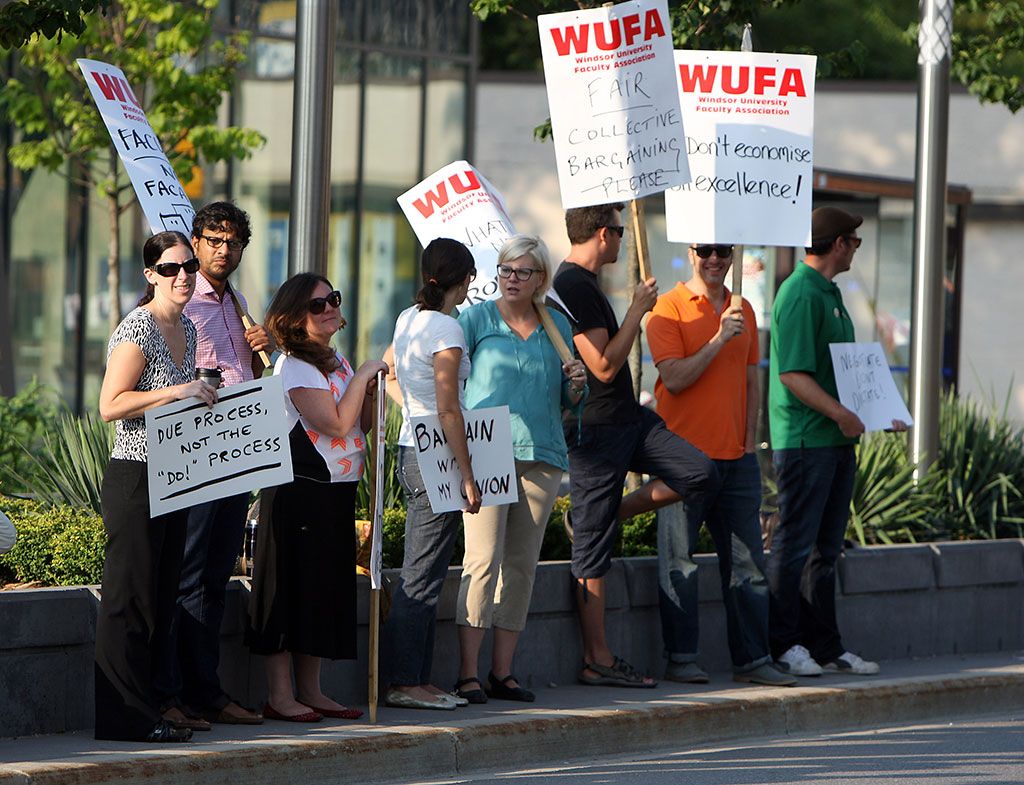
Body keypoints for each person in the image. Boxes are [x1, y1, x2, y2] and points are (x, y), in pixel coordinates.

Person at [551, 203, 716, 688]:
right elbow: (603, 366)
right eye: (620, 232)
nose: (623, 240)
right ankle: (597, 659)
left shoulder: (587, 282)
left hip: (629, 419)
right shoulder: (573, 285)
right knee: (592, 552)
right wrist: (638, 313)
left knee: (699, 472)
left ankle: (601, 517)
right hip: (596, 428)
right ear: (604, 233)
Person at [644, 242, 796, 688]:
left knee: (749, 562)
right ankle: (682, 657)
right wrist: (716, 339)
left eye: (724, 252)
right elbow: (673, 378)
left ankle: (753, 658)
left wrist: (749, 441)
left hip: (737, 459)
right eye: (706, 251)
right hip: (682, 458)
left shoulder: (744, 308)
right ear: (690, 252)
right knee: (679, 561)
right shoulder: (666, 309)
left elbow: (751, 376)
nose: (715, 260)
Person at [766, 207, 907, 677]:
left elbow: (845, 373)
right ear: (839, 244)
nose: (856, 250)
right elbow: (792, 375)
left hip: (832, 439)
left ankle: (825, 645)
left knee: (826, 549)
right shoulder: (801, 294)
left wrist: (877, 411)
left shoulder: (828, 292)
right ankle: (785, 644)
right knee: (795, 545)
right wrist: (843, 414)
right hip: (807, 440)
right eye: (855, 241)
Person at [453, 235, 588, 704]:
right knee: (482, 560)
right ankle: (467, 672)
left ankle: (502, 672)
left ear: (540, 280)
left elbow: (570, 401)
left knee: (521, 566)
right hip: (487, 450)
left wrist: (577, 385)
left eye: (522, 272)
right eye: (506, 270)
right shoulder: (475, 319)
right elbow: (445, 379)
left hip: (543, 454)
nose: (511, 279)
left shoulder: (557, 327)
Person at [245, 273, 386, 722]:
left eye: (332, 300)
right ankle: (281, 695)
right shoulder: (295, 366)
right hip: (298, 493)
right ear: (293, 319)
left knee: (322, 593)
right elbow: (334, 424)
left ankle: (313, 689)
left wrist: (371, 386)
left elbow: (360, 424)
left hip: (335, 494)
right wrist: (365, 372)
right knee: (288, 592)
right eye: (316, 305)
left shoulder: (335, 362)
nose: (328, 309)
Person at [95, 230, 218, 742]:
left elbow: (176, 401)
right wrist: (180, 390)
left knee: (161, 598)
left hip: (174, 474)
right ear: (151, 276)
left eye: (189, 266)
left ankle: (148, 710)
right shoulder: (137, 330)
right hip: (134, 474)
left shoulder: (187, 330)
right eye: (170, 269)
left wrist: (204, 397)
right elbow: (110, 405)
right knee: (130, 600)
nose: (183, 276)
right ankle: (123, 718)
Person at [154, 202, 273, 729]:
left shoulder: (237, 301)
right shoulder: (179, 299)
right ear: (196, 242)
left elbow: (241, 372)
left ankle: (207, 690)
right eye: (214, 240)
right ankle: (178, 694)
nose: (224, 250)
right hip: (196, 451)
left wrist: (258, 349)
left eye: (233, 242)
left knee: (218, 572)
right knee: (190, 571)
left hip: (238, 449)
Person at [380, 237, 481, 710]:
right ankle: (404, 680)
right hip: (437, 455)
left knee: (427, 569)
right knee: (422, 574)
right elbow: (449, 410)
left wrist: (414, 414)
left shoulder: (408, 319)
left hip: (410, 449)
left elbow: (388, 372)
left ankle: (417, 678)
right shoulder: (448, 329)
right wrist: (467, 472)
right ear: (463, 281)